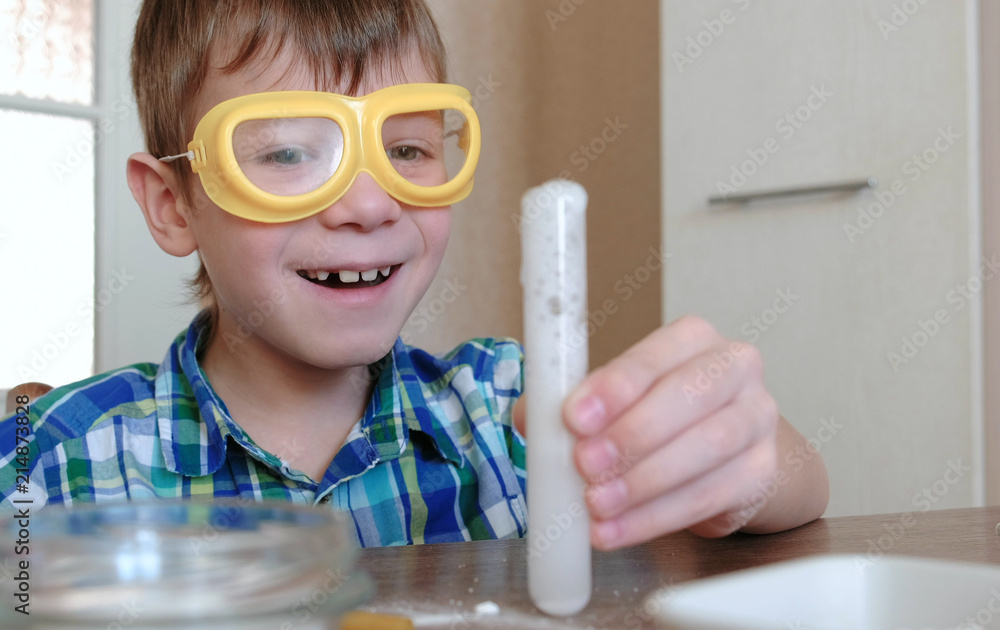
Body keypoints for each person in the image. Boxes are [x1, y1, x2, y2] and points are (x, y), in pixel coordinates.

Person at [0, 0, 828, 550]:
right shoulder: (54, 462)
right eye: (289, 152)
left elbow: (797, 490)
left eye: (406, 149)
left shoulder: (514, 415)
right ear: (174, 204)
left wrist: (746, 471)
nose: (368, 203)